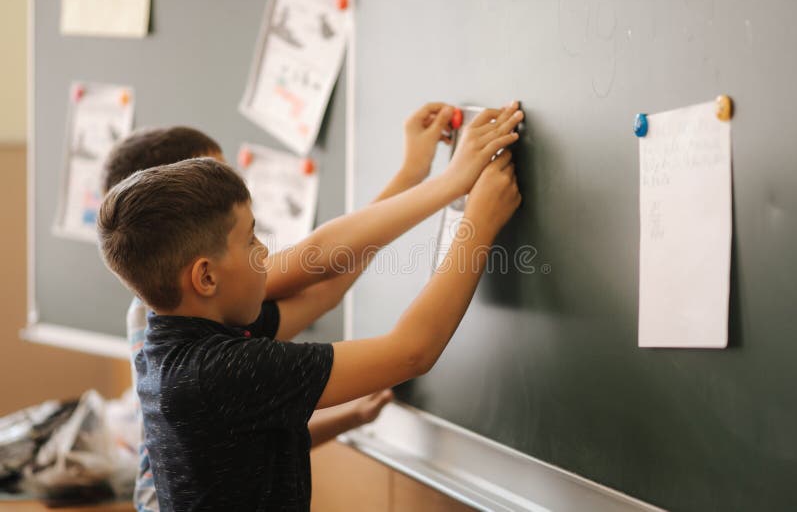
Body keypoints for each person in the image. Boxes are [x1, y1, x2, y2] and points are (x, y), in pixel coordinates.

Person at [97, 102, 524, 510]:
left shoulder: (178, 337)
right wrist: (477, 224)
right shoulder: (218, 371)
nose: (265, 253)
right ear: (206, 277)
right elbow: (413, 350)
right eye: (250, 239)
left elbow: (324, 281)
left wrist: (419, 174)